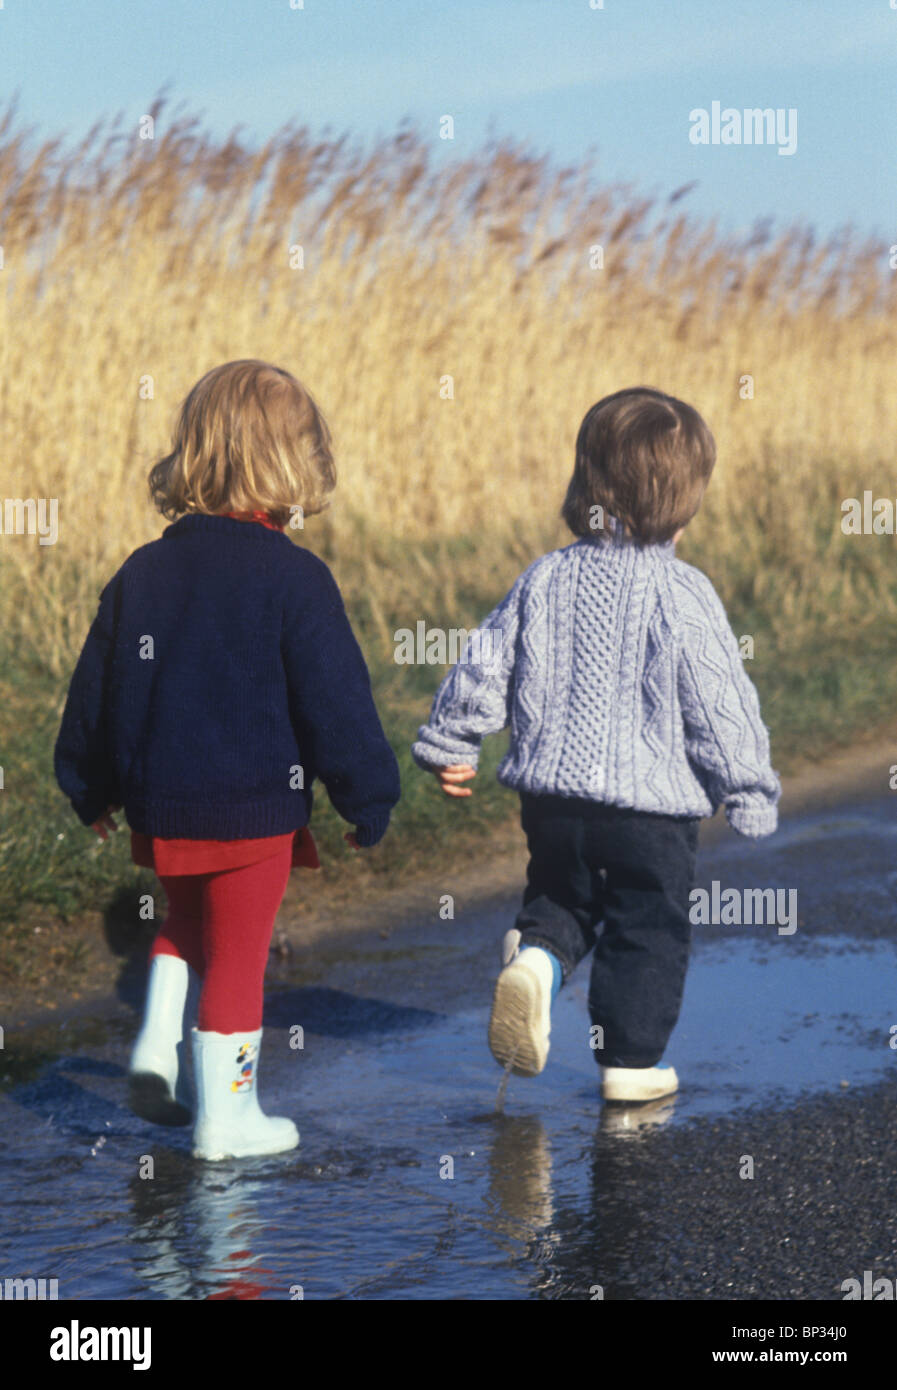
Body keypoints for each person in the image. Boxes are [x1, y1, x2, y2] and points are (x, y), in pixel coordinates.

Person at [55, 359, 400, 1156]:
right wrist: (366, 794)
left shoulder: (142, 572)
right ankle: (226, 1119)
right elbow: (335, 704)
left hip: (165, 805)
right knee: (240, 958)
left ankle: (153, 1045)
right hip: (251, 809)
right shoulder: (296, 579)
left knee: (185, 924)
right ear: (291, 464)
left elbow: (96, 692)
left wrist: (89, 785)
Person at [411, 387, 779, 1103]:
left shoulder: (543, 578)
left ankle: (537, 969)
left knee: (559, 900)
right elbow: (719, 703)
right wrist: (747, 787)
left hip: (552, 801)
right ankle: (630, 1064)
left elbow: (485, 661)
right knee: (647, 924)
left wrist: (454, 738)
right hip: (652, 812)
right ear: (686, 500)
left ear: (587, 484)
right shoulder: (684, 592)